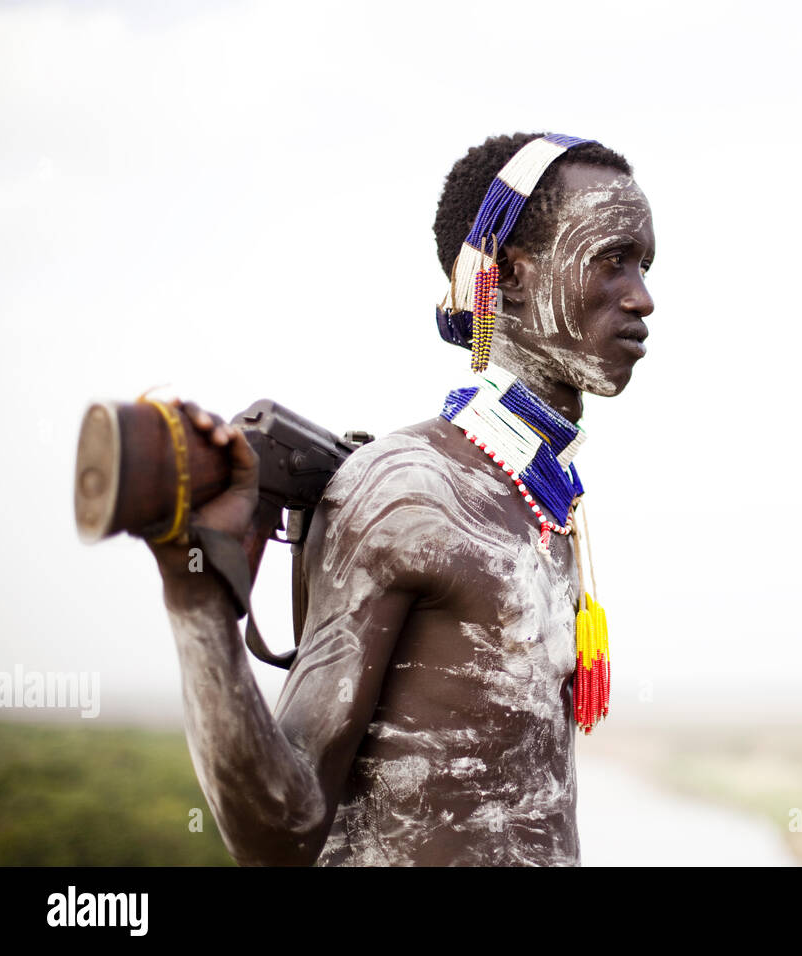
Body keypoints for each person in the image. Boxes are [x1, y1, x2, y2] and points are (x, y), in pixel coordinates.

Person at [148, 132, 655, 866]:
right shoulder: (407, 493)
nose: (642, 296)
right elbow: (277, 835)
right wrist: (196, 593)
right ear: (509, 275)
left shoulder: (539, 498)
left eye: (643, 264)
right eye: (612, 259)